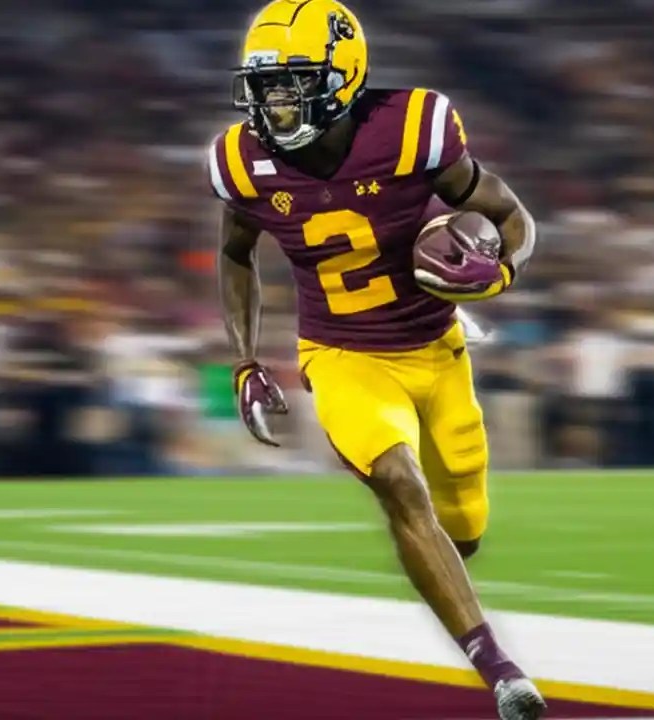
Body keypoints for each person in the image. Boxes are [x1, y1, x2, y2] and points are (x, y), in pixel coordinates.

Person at [210, 2, 542, 718]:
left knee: (464, 531)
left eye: (291, 83)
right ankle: (499, 668)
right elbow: (237, 255)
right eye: (265, 87)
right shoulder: (243, 160)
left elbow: (513, 216)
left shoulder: (413, 130)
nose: (274, 103)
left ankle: (450, 586)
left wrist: (499, 271)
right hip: (342, 354)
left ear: (342, 76)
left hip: (438, 349)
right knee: (398, 482)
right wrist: (243, 360)